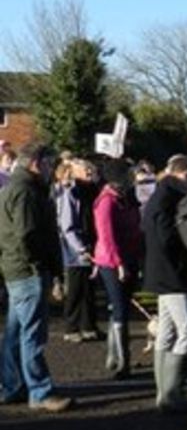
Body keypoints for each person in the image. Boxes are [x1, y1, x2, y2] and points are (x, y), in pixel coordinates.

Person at [0, 143, 73, 412]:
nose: (50, 169)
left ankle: (12, 386)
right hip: (27, 271)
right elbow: (26, 234)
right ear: (35, 163)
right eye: (47, 163)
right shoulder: (26, 192)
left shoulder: (16, 188)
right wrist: (40, 267)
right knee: (32, 334)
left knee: (15, 332)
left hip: (17, 269)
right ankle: (39, 391)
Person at [142, 155, 187, 413]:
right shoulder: (170, 199)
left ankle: (164, 393)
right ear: (186, 174)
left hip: (158, 271)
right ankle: (172, 393)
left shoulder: (159, 194)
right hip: (173, 274)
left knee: (166, 333)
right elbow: (169, 238)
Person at [94, 159, 143, 380]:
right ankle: (122, 362)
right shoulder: (106, 202)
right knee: (120, 309)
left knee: (120, 309)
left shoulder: (127, 197)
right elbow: (107, 237)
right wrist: (119, 263)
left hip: (130, 257)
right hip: (112, 262)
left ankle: (114, 356)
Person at [55, 158, 101, 342]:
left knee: (89, 289)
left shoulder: (93, 191)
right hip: (76, 249)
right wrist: (80, 248)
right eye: (85, 170)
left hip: (93, 242)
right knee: (75, 289)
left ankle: (89, 325)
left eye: (90, 169)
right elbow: (67, 225)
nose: (89, 172)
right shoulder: (71, 193)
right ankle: (71, 327)